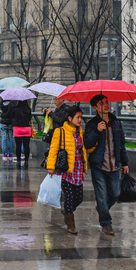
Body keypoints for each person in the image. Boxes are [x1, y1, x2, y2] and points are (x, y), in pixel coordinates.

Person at [84, 95, 130, 236]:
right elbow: (86, 144)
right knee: (102, 196)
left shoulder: (116, 122)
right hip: (99, 166)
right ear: (95, 107)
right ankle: (106, 223)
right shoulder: (92, 124)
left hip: (114, 166)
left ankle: (102, 209)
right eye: (101, 103)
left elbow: (121, 144)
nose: (106, 105)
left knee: (115, 194)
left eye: (107, 102)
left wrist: (125, 162)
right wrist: (97, 130)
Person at [47, 107, 94, 235]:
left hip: (78, 169)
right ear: (70, 118)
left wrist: (94, 144)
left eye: (81, 117)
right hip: (66, 171)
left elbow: (83, 148)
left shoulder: (80, 131)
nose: (80, 120)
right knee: (69, 197)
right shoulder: (60, 131)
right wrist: (50, 167)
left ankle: (67, 211)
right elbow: (53, 149)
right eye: (77, 117)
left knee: (79, 198)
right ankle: (70, 224)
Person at [10, 100, 34, 167]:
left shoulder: (15, 109)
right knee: (26, 146)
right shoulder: (28, 109)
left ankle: (18, 160)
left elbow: (12, 117)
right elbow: (29, 118)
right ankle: (26, 161)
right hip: (26, 129)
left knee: (18, 146)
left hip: (18, 129)